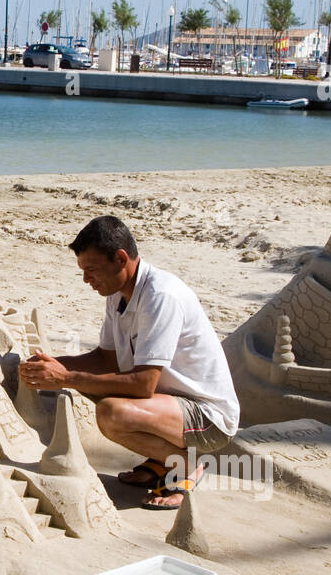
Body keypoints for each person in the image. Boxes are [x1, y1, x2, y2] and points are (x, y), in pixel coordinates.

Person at [18, 216, 240, 510]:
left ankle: (186, 465)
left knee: (111, 412)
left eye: (91, 270)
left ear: (120, 259)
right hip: (171, 404)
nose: (86, 279)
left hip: (208, 419)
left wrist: (65, 378)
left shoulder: (160, 296)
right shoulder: (119, 294)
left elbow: (143, 384)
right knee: (94, 388)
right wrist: (50, 364)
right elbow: (104, 359)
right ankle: (161, 461)